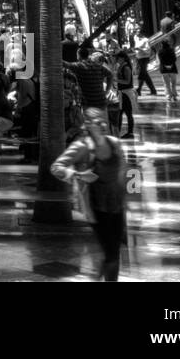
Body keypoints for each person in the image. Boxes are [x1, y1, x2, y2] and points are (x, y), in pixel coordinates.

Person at [51, 107, 128, 281]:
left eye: (103, 120)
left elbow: (125, 172)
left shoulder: (115, 143)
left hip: (116, 204)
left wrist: (132, 196)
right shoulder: (82, 147)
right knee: (112, 254)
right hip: (96, 207)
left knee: (111, 252)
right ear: (87, 125)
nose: (102, 124)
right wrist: (77, 175)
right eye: (97, 121)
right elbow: (56, 167)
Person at [114, 49, 135, 138]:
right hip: (122, 93)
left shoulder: (126, 67)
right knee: (120, 113)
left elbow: (127, 81)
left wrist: (116, 80)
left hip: (126, 93)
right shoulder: (121, 66)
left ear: (122, 58)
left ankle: (130, 133)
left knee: (127, 113)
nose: (117, 60)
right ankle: (118, 132)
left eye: (118, 58)